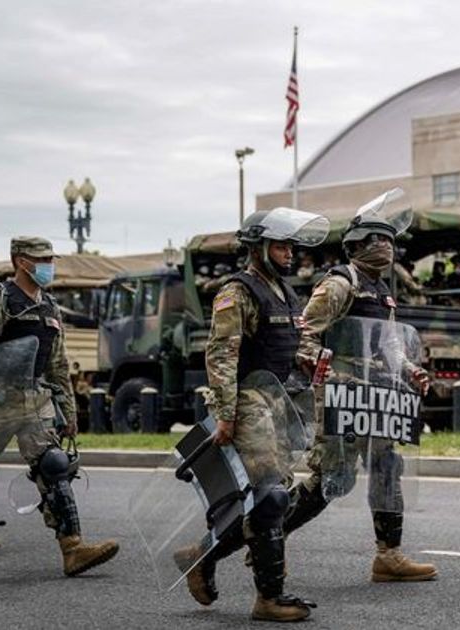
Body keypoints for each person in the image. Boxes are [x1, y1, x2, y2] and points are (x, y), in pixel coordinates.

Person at [177, 209, 325, 622]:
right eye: (281, 246)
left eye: (291, 246)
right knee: (270, 498)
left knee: (270, 500)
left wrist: (309, 359)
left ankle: (201, 556)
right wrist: (226, 414)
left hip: (280, 403)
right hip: (248, 403)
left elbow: (292, 343)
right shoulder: (237, 291)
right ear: (258, 248)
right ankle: (269, 598)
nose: (290, 253)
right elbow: (221, 354)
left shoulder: (286, 292)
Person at [281, 202, 437, 585]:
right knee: (333, 477)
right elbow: (305, 335)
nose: (384, 246)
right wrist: (322, 369)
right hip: (342, 392)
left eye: (388, 240)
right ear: (354, 246)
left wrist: (410, 370)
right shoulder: (339, 284)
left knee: (387, 466)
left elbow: (390, 343)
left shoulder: (382, 291)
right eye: (375, 239)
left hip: (378, 393)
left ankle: (389, 555)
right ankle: (269, 537)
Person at [0, 237, 119, 578]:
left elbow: (57, 364)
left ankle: (73, 548)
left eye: (50, 258)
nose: (48, 265)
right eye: (41, 259)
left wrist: (68, 411)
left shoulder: (49, 306)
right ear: (20, 261)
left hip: (34, 398)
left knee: (54, 464)